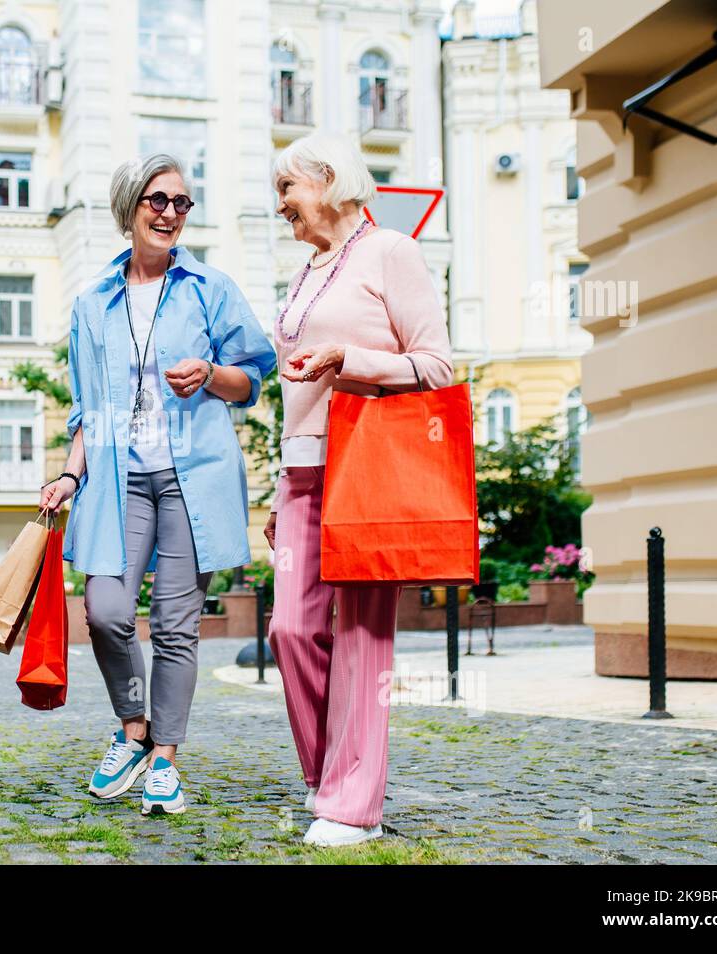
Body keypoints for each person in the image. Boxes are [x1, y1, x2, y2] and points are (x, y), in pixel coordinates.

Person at [40, 154, 276, 816]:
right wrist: (66, 474)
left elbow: (255, 375)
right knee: (107, 613)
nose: (170, 212)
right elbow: (87, 408)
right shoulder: (92, 304)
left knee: (176, 627)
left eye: (181, 202)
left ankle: (164, 757)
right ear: (129, 207)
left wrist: (211, 373)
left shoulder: (210, 288)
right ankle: (133, 727)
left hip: (191, 477)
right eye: (157, 200)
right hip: (117, 480)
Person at [265, 133, 453, 847]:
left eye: (288, 186)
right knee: (290, 630)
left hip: (367, 467)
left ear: (331, 179)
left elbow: (436, 364)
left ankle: (353, 806)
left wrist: (356, 359)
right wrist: (280, 486)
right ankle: (329, 778)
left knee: (363, 643)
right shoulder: (307, 271)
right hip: (303, 473)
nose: (279, 203)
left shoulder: (390, 252)